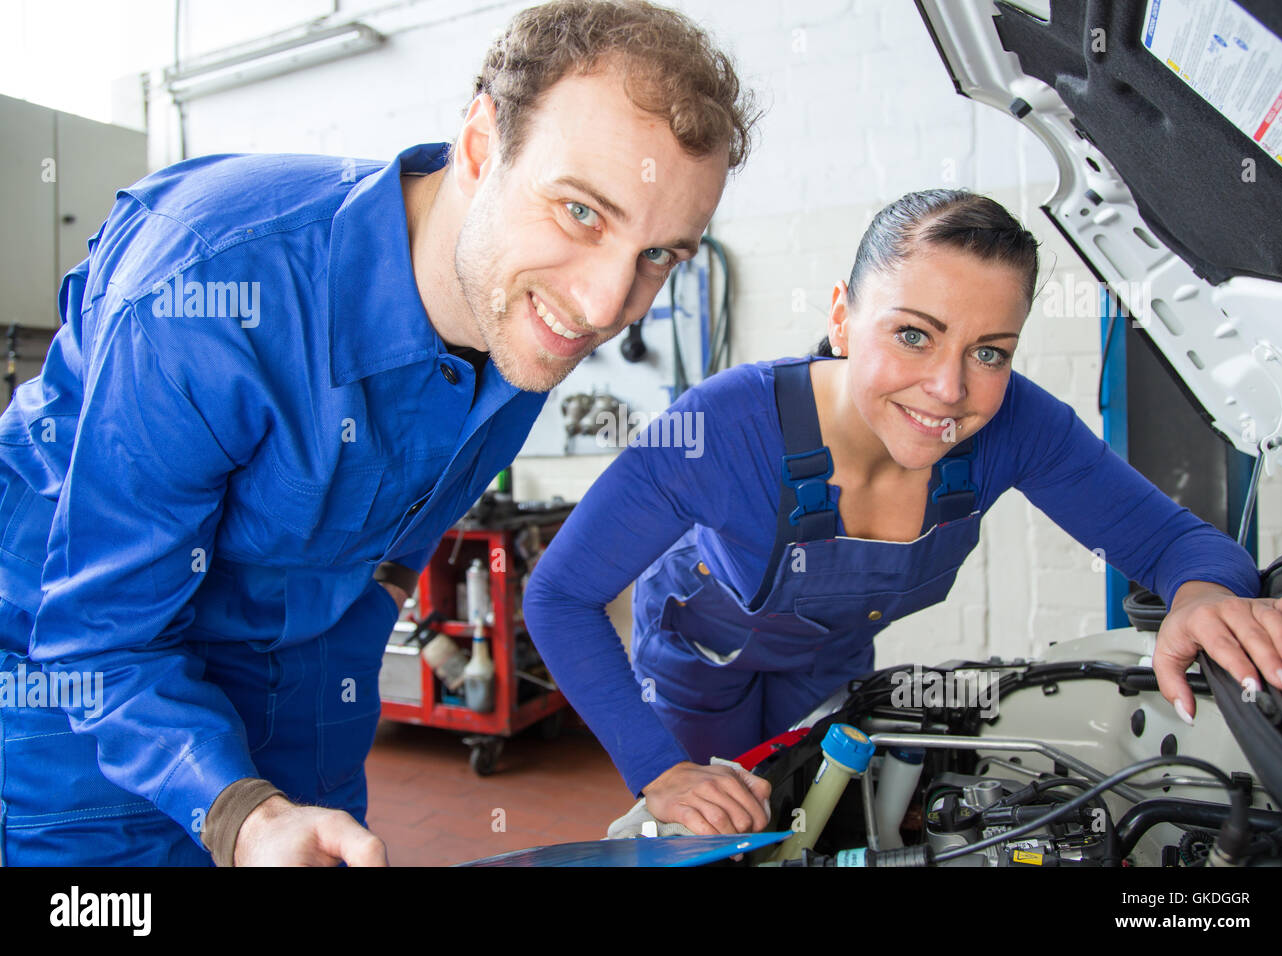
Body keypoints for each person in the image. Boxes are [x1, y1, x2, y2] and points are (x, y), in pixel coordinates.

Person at [0, 0, 757, 866]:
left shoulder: (522, 323)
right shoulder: (210, 292)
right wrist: (244, 811)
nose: (606, 305)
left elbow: (404, 537)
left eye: (660, 254)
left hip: (301, 699)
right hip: (77, 718)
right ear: (480, 147)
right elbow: (100, 631)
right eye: (582, 212)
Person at [523, 189, 1282, 837]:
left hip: (828, 671)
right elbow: (558, 595)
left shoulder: (1017, 427)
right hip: (698, 671)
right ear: (841, 316)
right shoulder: (724, 431)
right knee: (715, 838)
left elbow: (1174, 543)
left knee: (821, 827)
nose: (949, 390)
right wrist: (659, 770)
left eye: (990, 351)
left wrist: (1204, 598)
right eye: (913, 335)